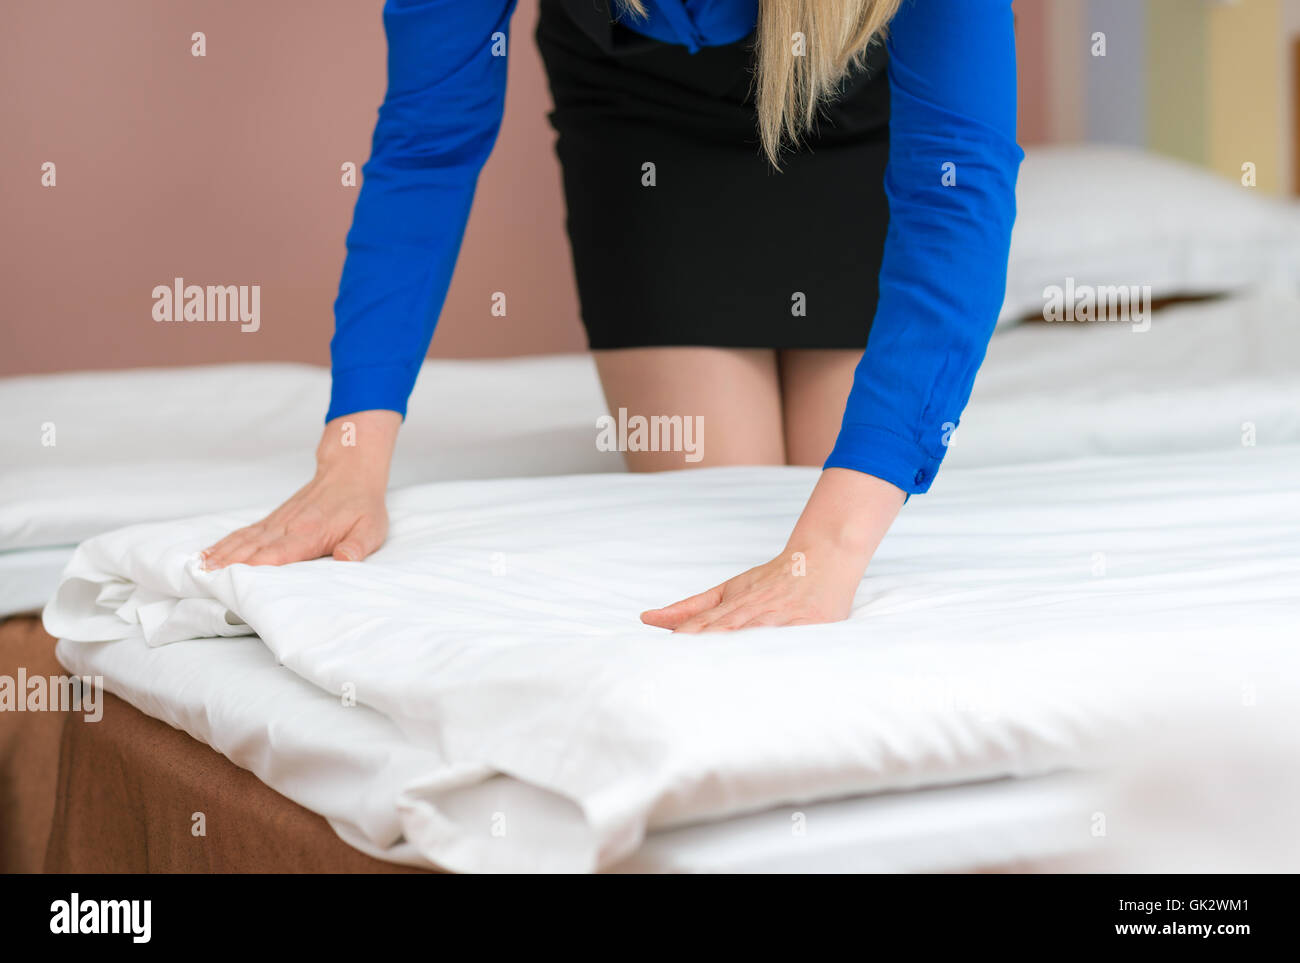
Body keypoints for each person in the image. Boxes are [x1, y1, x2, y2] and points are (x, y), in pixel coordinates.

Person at [202, 0, 1022, 633]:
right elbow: (427, 144)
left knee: (837, 510)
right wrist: (351, 457)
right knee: (725, 501)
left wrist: (833, 547)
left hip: (855, 102)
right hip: (648, 125)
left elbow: (959, 191)